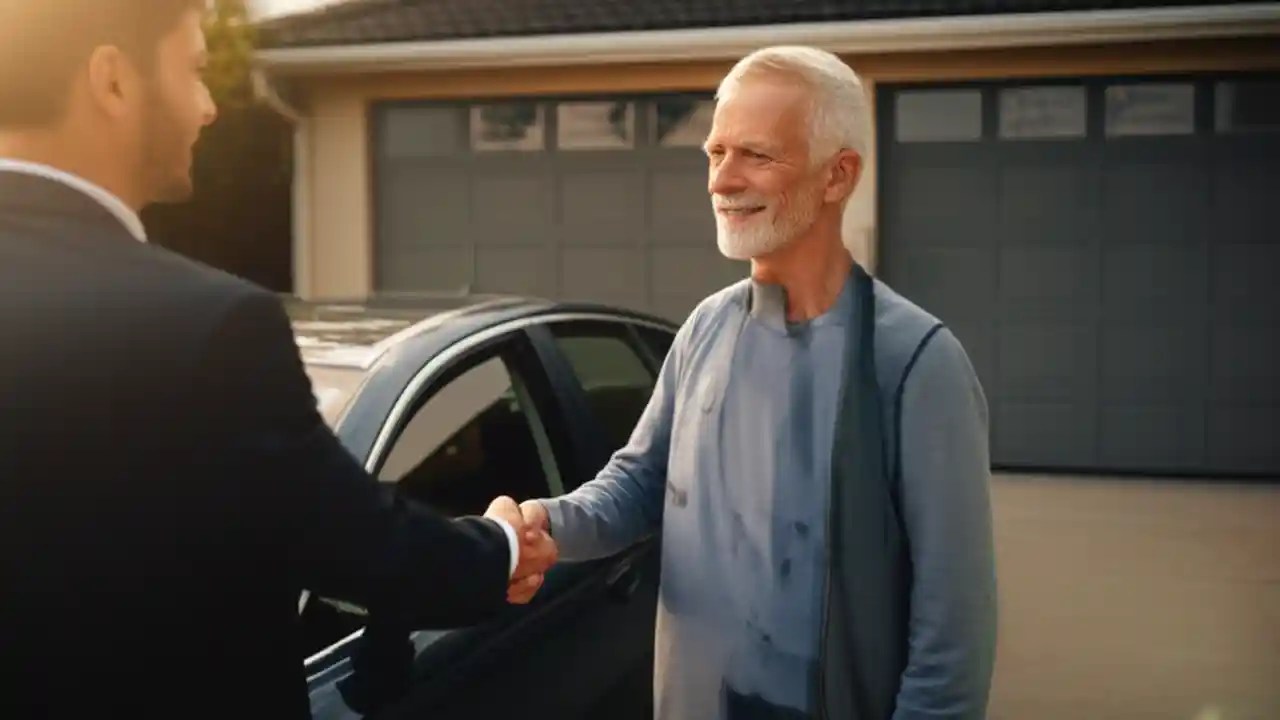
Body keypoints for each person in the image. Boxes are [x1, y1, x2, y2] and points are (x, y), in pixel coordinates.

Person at [0, 2, 555, 718]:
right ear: (112, 81)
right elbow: (348, 539)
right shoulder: (204, 325)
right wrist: (501, 549)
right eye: (194, 72)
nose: (206, 109)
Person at [501, 46, 998, 720]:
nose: (721, 181)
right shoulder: (705, 328)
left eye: (756, 155)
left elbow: (952, 636)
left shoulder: (916, 363)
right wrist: (546, 524)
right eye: (715, 153)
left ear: (838, 176)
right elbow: (639, 486)